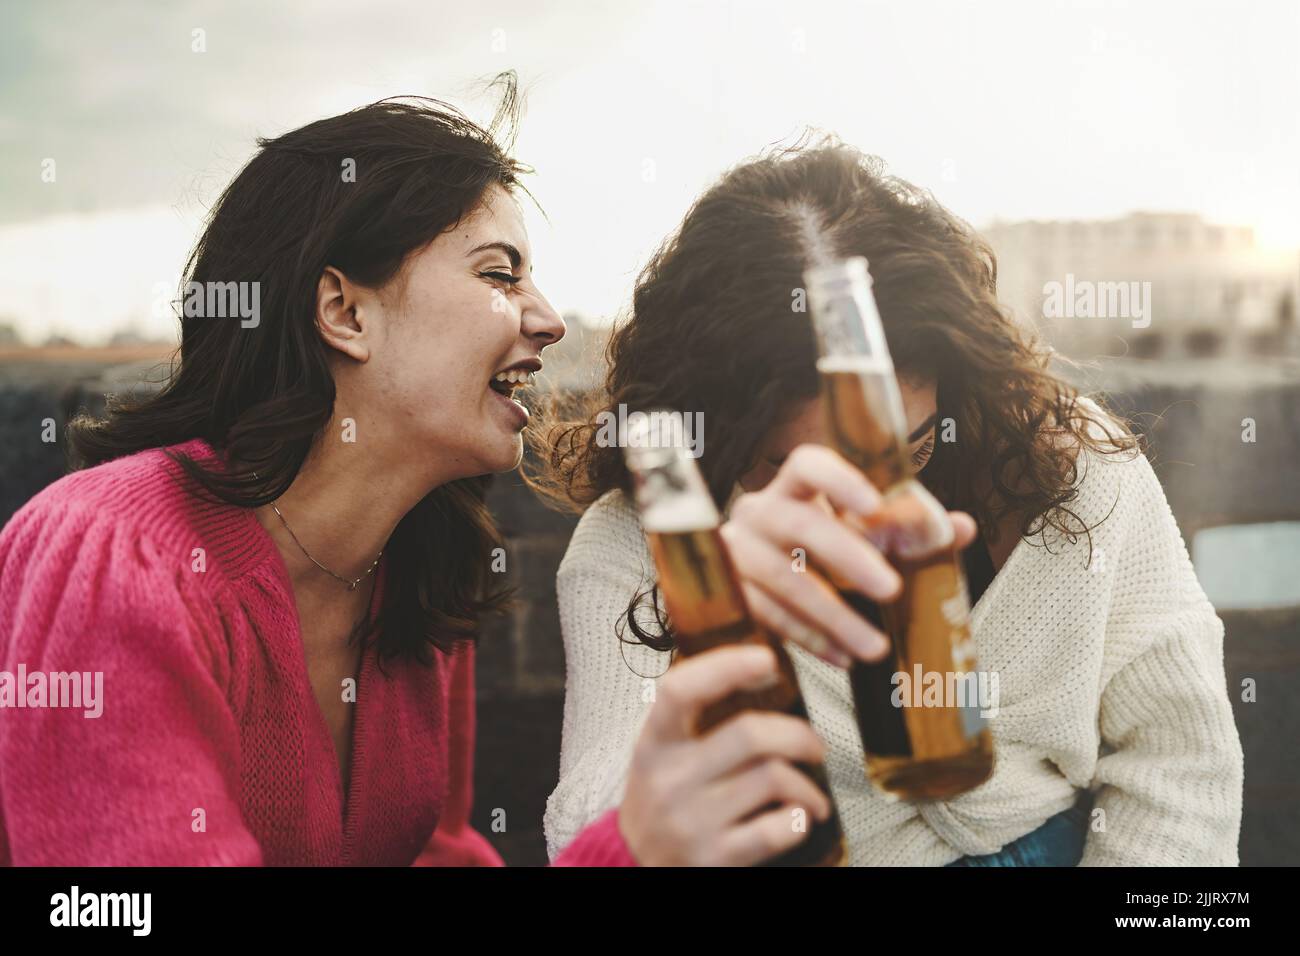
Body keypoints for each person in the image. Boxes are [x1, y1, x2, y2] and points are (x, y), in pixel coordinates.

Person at [0, 85, 914, 866]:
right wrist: (635, 844)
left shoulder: (418, 571)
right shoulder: (116, 555)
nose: (548, 321)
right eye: (498, 274)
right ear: (343, 312)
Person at [532, 140, 1245, 866]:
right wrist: (721, 635)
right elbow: (589, 827)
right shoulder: (639, 541)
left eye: (908, 449)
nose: (867, 501)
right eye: (795, 469)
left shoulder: (1071, 468)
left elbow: (1181, 762)